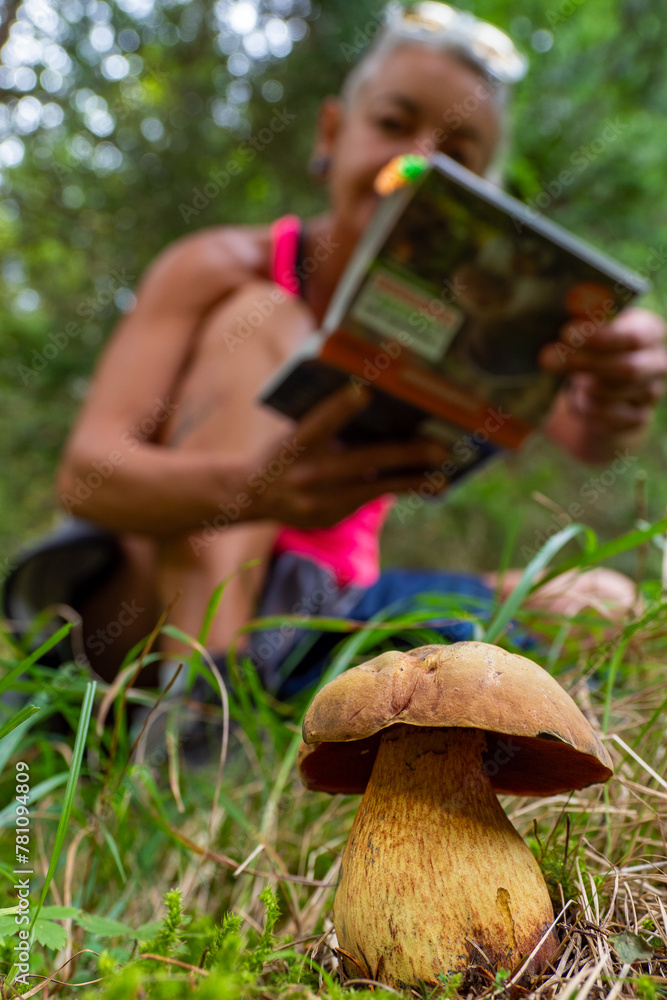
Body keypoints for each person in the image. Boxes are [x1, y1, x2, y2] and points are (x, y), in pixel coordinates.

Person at [6, 2, 666, 694]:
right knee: (264, 317)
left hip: (325, 611)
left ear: (481, 195)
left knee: (600, 606)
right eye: (392, 123)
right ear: (331, 131)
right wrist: (251, 491)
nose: (417, 159)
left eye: (457, 154)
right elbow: (85, 476)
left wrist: (616, 388)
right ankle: (200, 725)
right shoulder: (222, 267)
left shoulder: (474, 316)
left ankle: (298, 717)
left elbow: (587, 435)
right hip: (146, 607)